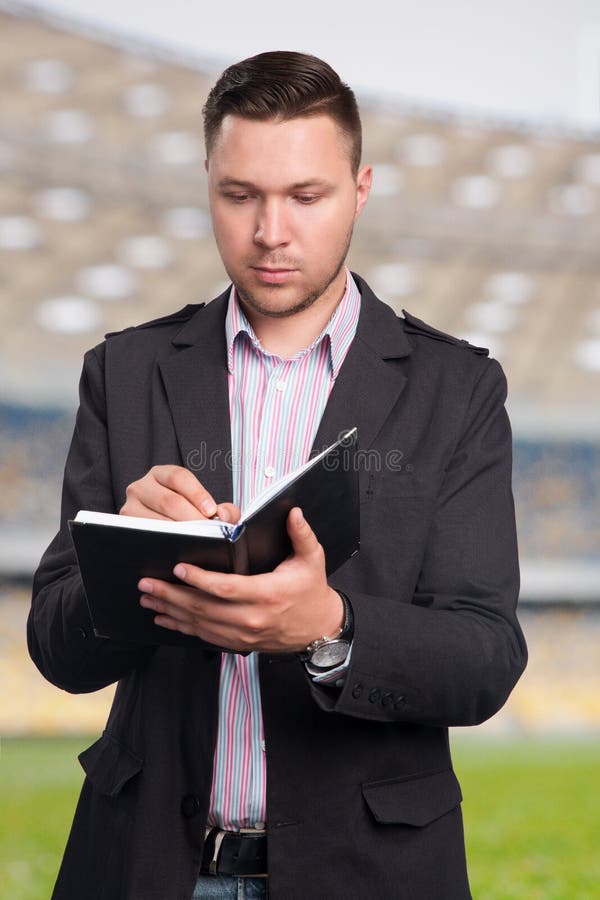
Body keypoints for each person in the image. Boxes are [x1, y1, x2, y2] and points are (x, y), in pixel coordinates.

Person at [28, 51, 527, 900]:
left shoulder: (459, 389)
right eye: (240, 195)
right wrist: (132, 561)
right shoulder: (125, 369)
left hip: (370, 874)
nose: (270, 233)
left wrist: (328, 628)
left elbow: (485, 657)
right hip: (145, 864)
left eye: (306, 196)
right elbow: (56, 646)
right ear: (208, 184)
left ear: (360, 189)